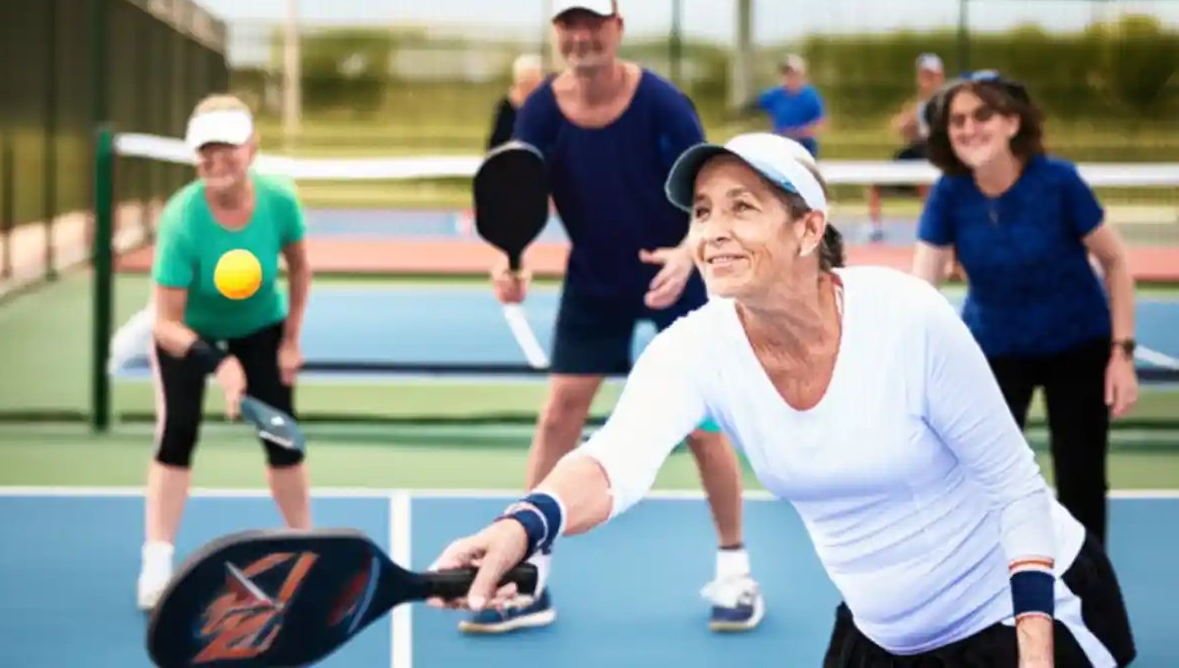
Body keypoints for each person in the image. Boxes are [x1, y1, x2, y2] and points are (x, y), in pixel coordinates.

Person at [431, 132, 1137, 667]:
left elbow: (1016, 490)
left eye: (743, 207)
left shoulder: (905, 319)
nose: (712, 231)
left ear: (807, 230)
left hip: (1022, 613)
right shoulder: (695, 347)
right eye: (703, 211)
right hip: (880, 634)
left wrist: (1035, 653)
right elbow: (612, 462)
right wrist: (522, 524)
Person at [466, 0, 763, 634]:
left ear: (617, 27)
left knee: (703, 426)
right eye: (569, 25)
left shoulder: (660, 103)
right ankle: (528, 570)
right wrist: (510, 264)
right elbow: (523, 194)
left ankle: (736, 569)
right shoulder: (540, 109)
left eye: (593, 22)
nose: (581, 36)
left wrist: (689, 251)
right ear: (557, 35)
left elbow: (711, 187)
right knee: (559, 415)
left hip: (673, 274)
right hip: (594, 276)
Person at [910, 71, 1140, 548]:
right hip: (995, 350)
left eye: (982, 116)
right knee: (984, 478)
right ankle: (993, 587)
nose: (968, 129)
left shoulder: (1059, 182)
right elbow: (921, 291)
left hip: (1078, 345)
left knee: (1081, 481)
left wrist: (1122, 354)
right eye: (957, 121)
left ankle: (1087, 595)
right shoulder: (950, 194)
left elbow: (1116, 261)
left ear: (1012, 123)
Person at [135, 94, 314, 610]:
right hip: (188, 334)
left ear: (251, 149)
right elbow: (164, 321)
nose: (216, 161)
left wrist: (291, 341)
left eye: (228, 148)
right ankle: (157, 558)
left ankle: (305, 546)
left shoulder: (279, 201)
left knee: (283, 439)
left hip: (261, 327)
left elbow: (300, 267)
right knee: (177, 434)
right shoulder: (182, 219)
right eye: (205, 150)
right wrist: (219, 364)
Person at [865, 52, 945, 242]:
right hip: (915, 151)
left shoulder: (946, 101)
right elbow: (900, 127)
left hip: (935, 153)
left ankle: (932, 229)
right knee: (875, 182)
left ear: (940, 76)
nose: (926, 80)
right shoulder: (916, 104)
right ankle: (876, 228)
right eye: (923, 75)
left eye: (930, 75)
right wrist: (908, 126)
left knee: (924, 181)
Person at [743, 53, 827, 157]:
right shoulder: (775, 94)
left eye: (793, 74)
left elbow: (820, 124)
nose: (789, 78)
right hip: (780, 143)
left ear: (801, 75)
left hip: (804, 145)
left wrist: (798, 133)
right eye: (786, 74)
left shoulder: (811, 96)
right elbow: (753, 105)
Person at [486, 54, 546, 150]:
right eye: (526, 85)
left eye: (535, 85)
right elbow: (495, 149)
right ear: (517, 83)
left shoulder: (549, 106)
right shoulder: (506, 109)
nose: (531, 92)